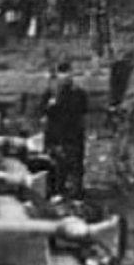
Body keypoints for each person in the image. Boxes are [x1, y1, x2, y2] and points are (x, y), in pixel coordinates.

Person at [40, 62, 90, 201]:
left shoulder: (79, 93)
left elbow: (84, 115)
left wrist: (83, 133)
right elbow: (43, 114)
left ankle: (76, 192)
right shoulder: (50, 93)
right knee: (56, 164)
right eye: (62, 73)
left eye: (68, 72)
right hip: (56, 134)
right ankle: (57, 190)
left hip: (73, 133)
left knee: (75, 164)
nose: (65, 76)